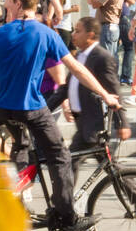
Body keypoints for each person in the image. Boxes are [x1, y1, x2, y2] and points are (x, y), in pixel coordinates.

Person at [0, 0, 120, 231]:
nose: (6, 7)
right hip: (32, 108)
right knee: (60, 156)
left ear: (17, 4)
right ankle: (68, 218)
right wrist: (106, 94)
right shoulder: (47, 33)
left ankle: (16, 203)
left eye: (8, 3)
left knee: (22, 150)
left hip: (5, 109)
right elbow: (77, 70)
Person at [49, 16, 130, 151]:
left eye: (77, 31)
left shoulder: (102, 57)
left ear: (90, 35)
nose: (73, 35)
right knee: (104, 164)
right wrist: (45, 110)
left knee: (69, 165)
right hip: (81, 121)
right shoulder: (78, 56)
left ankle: (120, 173)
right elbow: (66, 88)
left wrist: (122, 123)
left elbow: (114, 90)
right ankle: (118, 173)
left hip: (92, 123)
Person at [88, 0, 124, 67]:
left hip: (106, 27)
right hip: (113, 27)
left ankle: (108, 80)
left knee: (106, 58)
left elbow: (95, 4)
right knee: (112, 56)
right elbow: (101, 3)